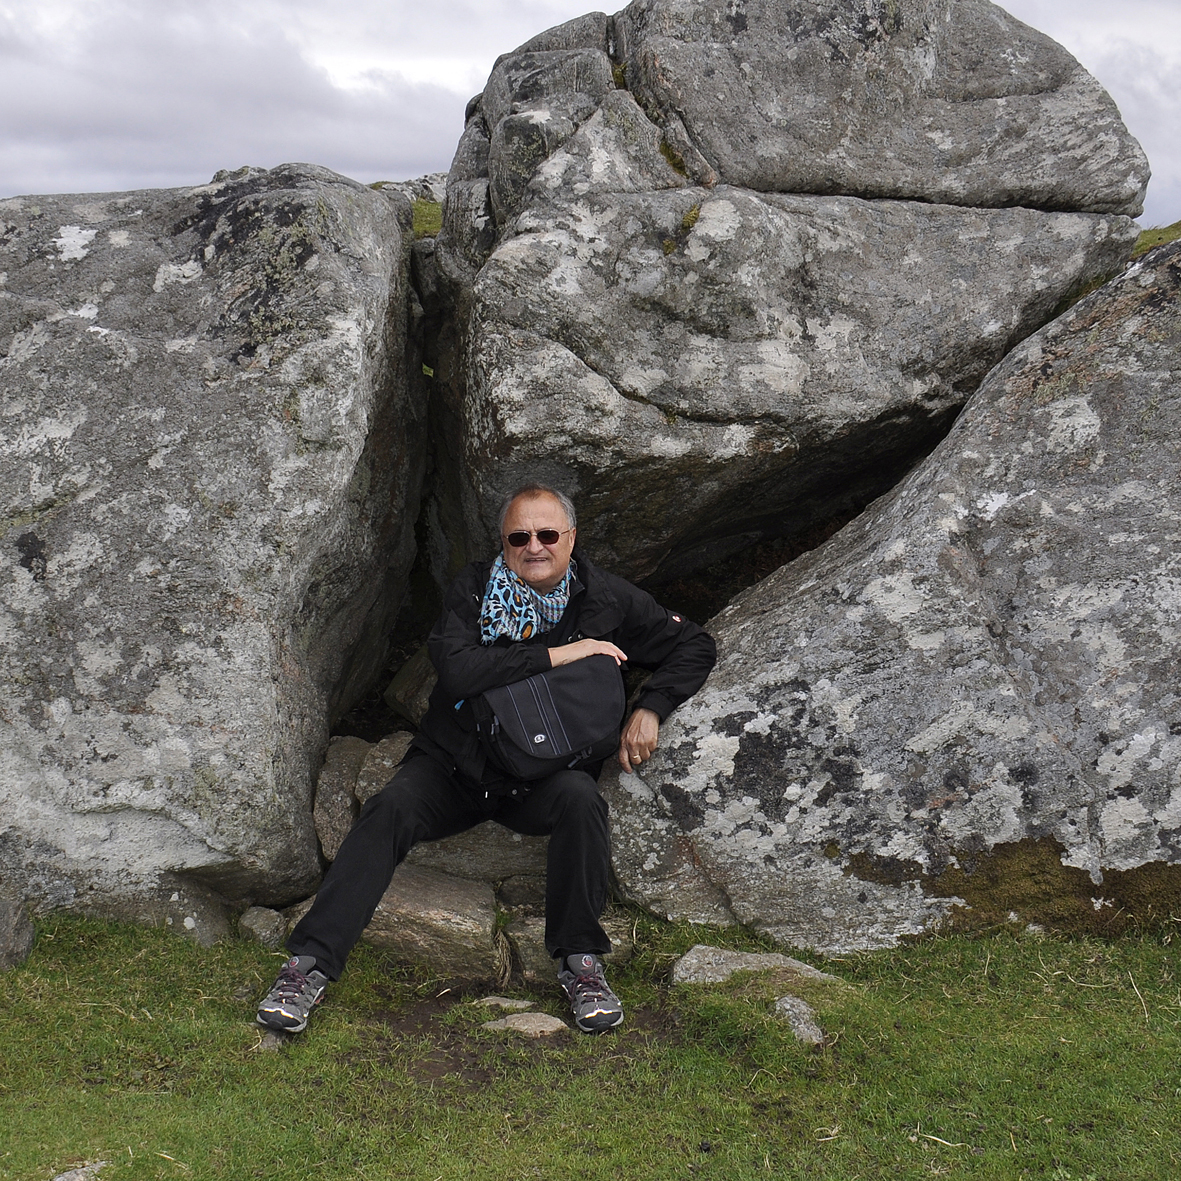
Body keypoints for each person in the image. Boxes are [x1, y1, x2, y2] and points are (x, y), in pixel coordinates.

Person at [257, 483, 716, 1034]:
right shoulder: (475, 592)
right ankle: (307, 966)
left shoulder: (606, 598)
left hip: (543, 778)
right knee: (391, 808)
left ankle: (581, 964)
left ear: (571, 537)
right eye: (519, 536)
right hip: (454, 767)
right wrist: (564, 652)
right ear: (503, 543)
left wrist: (651, 708)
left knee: (581, 802)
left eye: (547, 534)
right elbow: (460, 671)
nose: (534, 547)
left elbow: (693, 645)